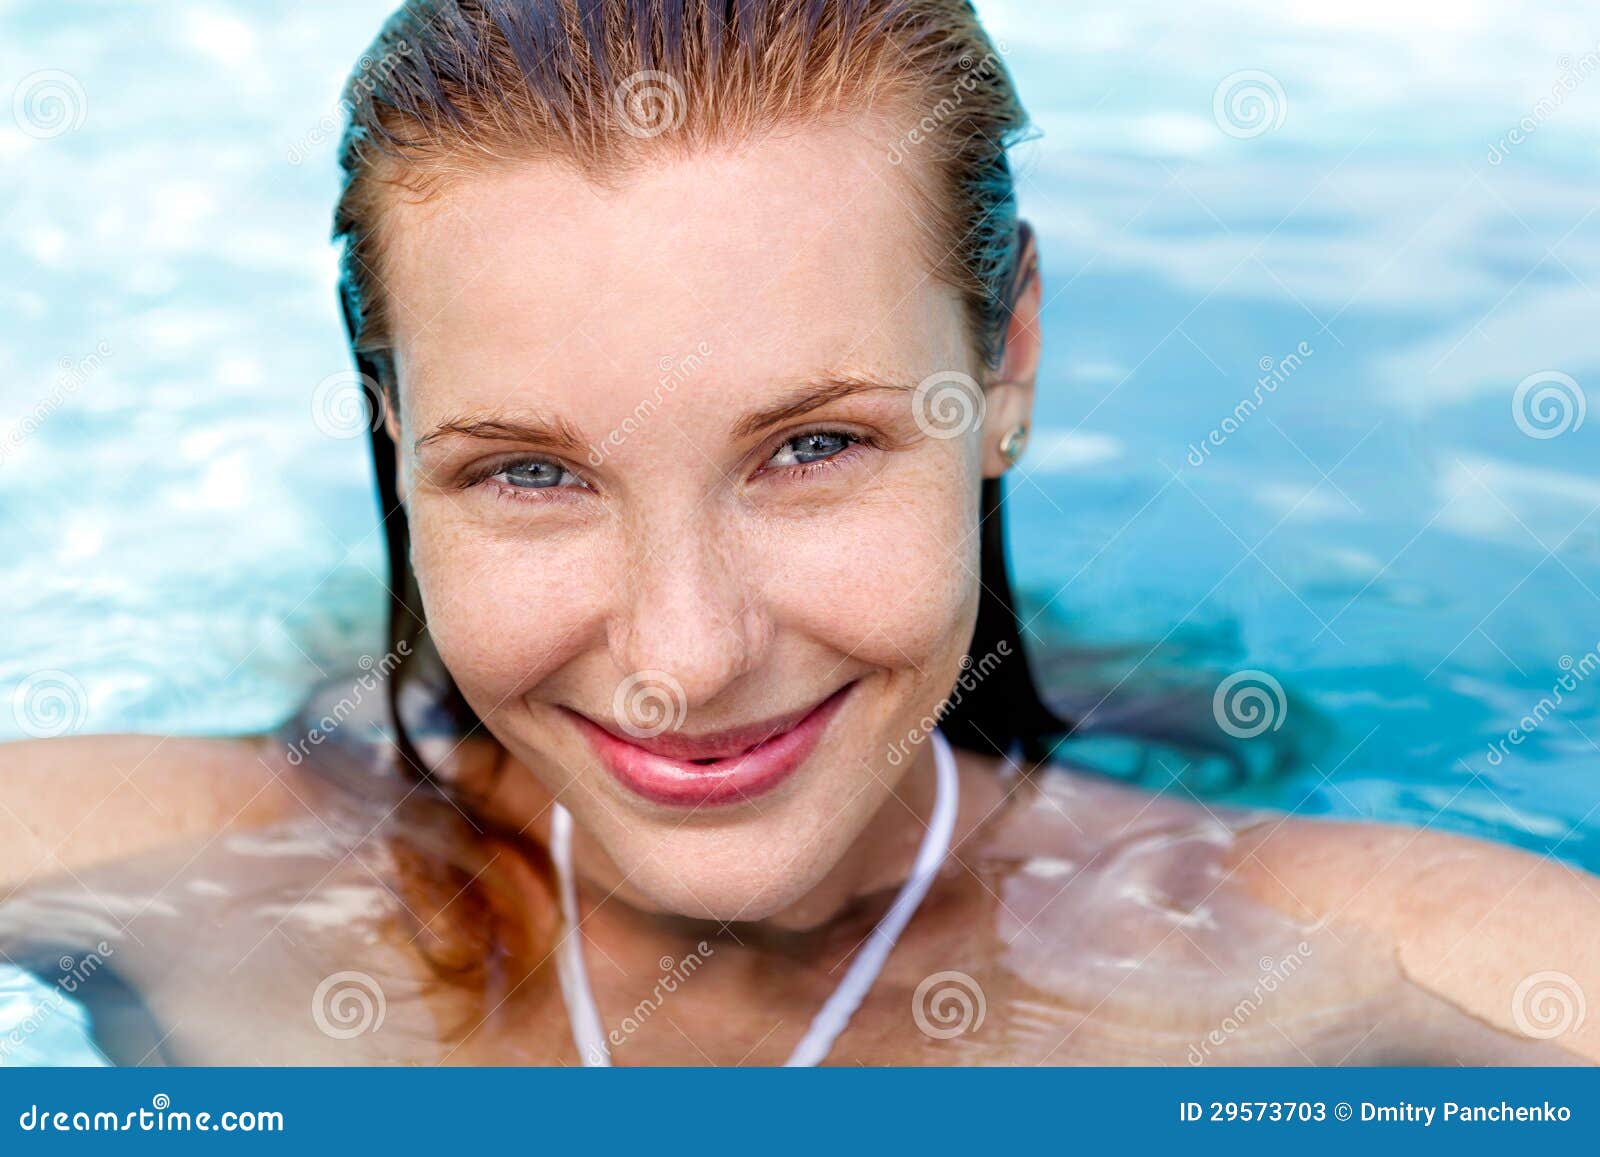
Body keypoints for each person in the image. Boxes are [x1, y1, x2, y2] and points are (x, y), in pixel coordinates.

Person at [2, 0, 1596, 1066]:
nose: (683, 661)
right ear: (390, 432)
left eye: (814, 446)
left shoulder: (1307, 957)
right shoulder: (191, 870)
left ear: (1005, 363)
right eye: (528, 475)